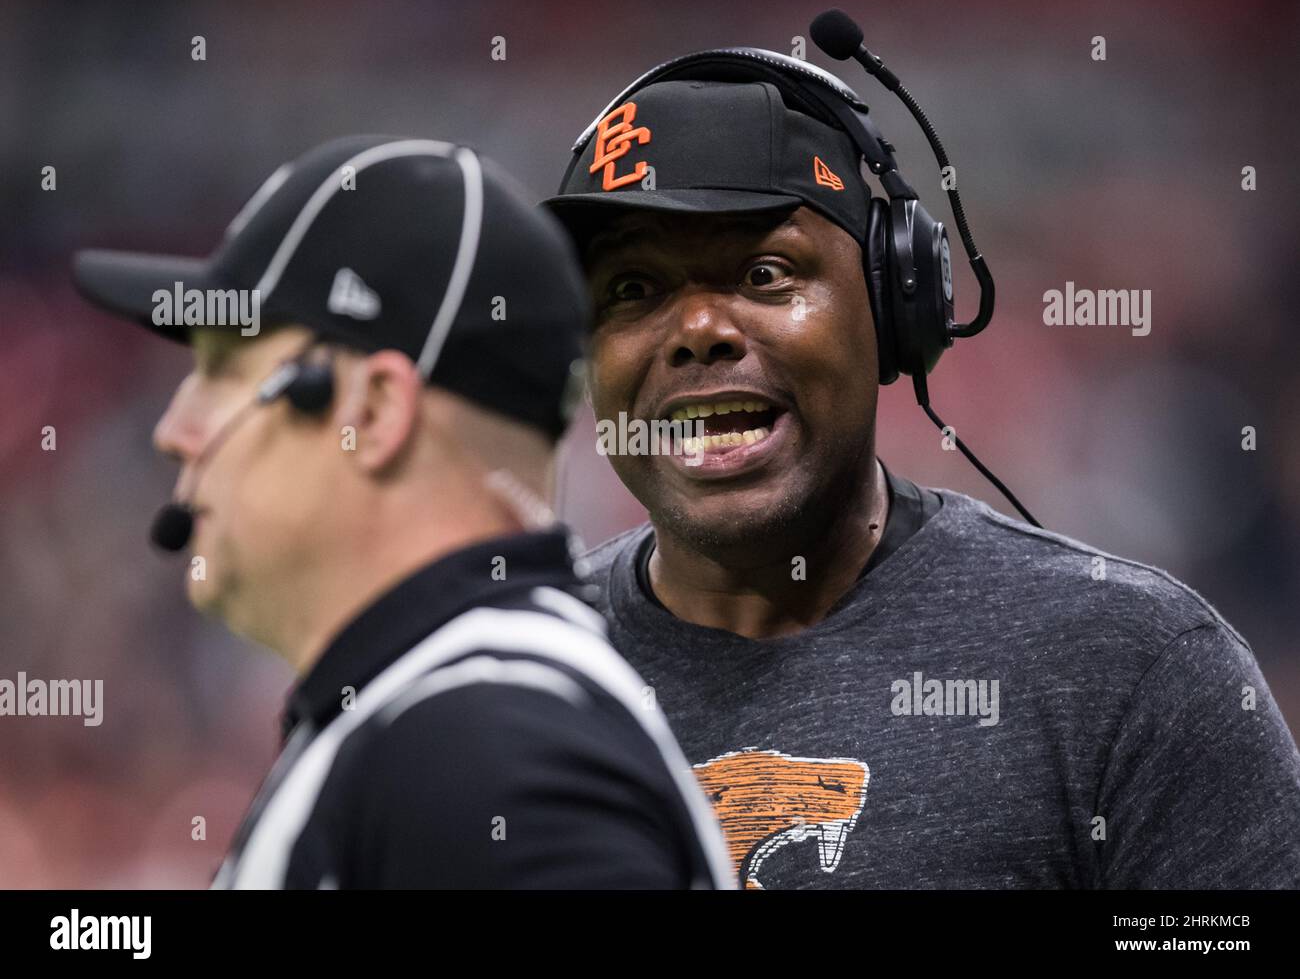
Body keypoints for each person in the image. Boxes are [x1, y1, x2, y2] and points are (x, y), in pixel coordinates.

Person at [541, 49, 1300, 889]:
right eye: (632, 287)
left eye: (765, 273)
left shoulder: (1132, 673)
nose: (698, 328)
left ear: (896, 304)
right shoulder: (501, 688)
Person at [73, 135, 733, 889]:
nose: (173, 429)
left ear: (378, 408)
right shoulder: (444, 713)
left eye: (224, 366)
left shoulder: (486, 745)